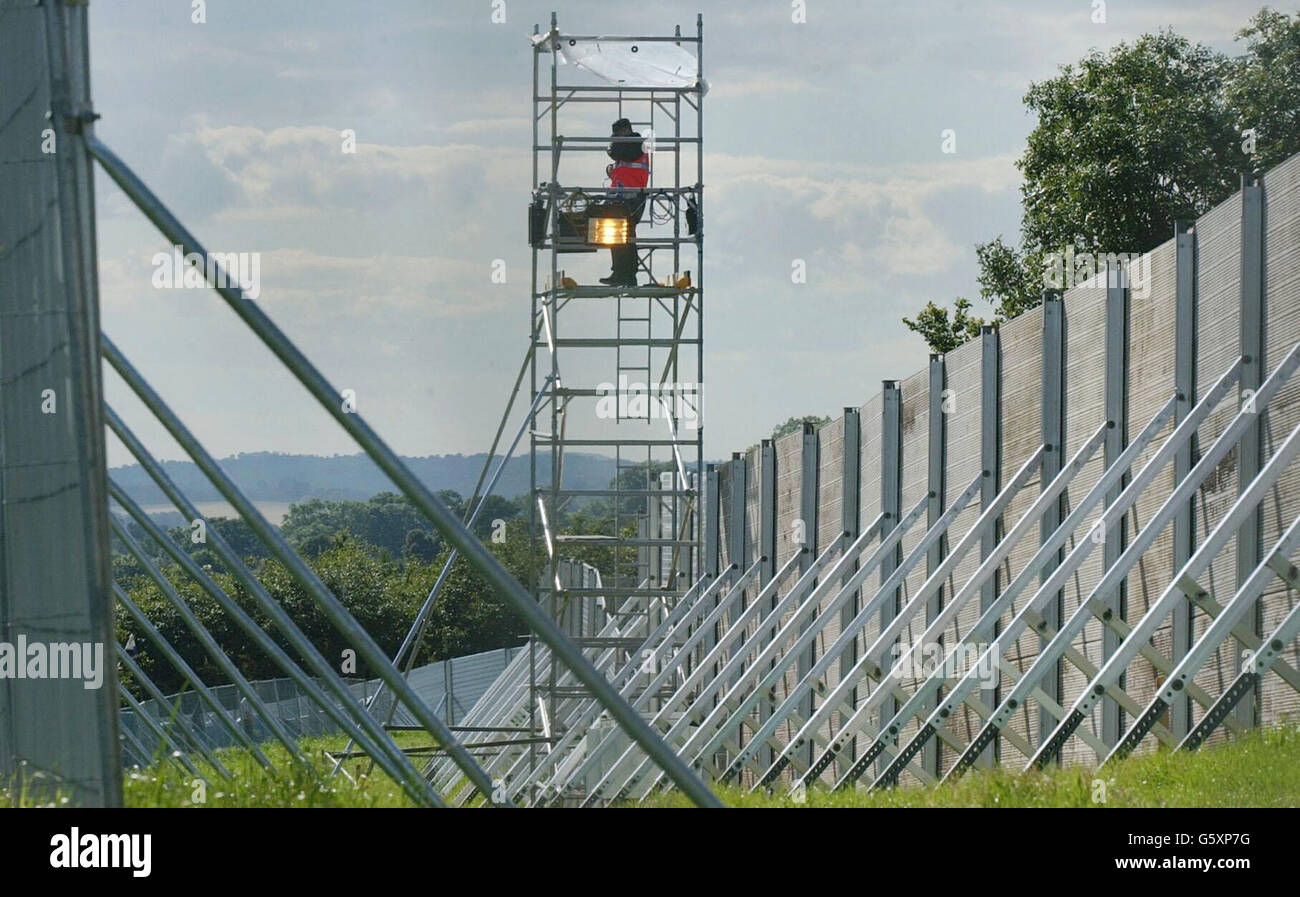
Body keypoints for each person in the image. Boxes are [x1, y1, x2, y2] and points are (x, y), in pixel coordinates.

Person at [600, 118, 648, 287]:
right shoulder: (626, 146)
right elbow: (617, 154)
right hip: (621, 196)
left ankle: (626, 274)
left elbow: (618, 153)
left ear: (626, 130)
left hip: (632, 196)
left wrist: (615, 146)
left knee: (625, 235)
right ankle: (621, 273)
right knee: (617, 235)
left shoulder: (636, 144)